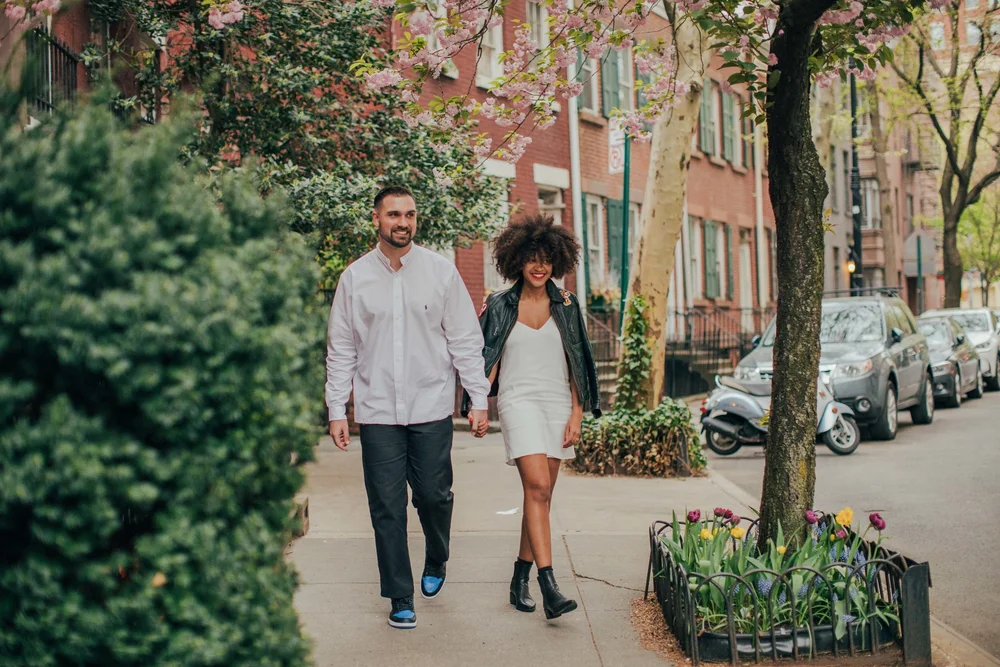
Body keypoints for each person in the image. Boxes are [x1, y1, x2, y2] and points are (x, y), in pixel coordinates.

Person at [325, 185, 492, 630]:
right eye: (394, 214)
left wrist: (478, 398)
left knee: (434, 497)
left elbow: (464, 340)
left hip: (430, 406)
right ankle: (399, 595)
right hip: (378, 412)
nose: (403, 222)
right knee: (386, 507)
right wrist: (337, 409)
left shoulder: (440, 272)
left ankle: (436, 558)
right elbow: (341, 349)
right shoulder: (355, 278)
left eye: (410, 215)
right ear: (376, 220)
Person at [461, 214, 601, 620]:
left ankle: (519, 576)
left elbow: (578, 360)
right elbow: (486, 358)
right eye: (531, 259)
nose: (539, 267)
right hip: (518, 400)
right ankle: (549, 585)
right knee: (537, 485)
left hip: (557, 402)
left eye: (546, 259)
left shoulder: (567, 305)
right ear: (517, 260)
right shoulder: (501, 304)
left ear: (556, 261)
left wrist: (577, 412)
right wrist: (478, 405)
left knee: (539, 495)